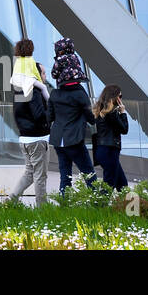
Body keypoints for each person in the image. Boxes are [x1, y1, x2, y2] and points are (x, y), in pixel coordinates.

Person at [48, 38, 96, 191]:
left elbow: (49, 118)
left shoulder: (54, 94)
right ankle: (99, 203)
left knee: (65, 175)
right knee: (88, 173)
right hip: (74, 140)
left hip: (58, 141)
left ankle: (64, 202)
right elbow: (91, 118)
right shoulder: (80, 94)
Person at [8, 61, 51, 205]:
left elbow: (18, 113)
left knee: (30, 173)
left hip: (25, 138)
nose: (45, 76)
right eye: (43, 73)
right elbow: (39, 116)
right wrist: (51, 114)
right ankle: (42, 210)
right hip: (37, 139)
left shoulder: (20, 90)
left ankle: (11, 200)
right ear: (35, 74)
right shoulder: (34, 91)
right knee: (40, 175)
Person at [93, 84, 129, 189]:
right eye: (120, 96)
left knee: (121, 183)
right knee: (109, 185)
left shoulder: (100, 110)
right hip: (110, 151)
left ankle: (126, 204)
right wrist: (123, 113)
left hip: (102, 150)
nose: (121, 99)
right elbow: (124, 130)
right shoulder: (112, 113)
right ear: (114, 97)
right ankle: (100, 205)